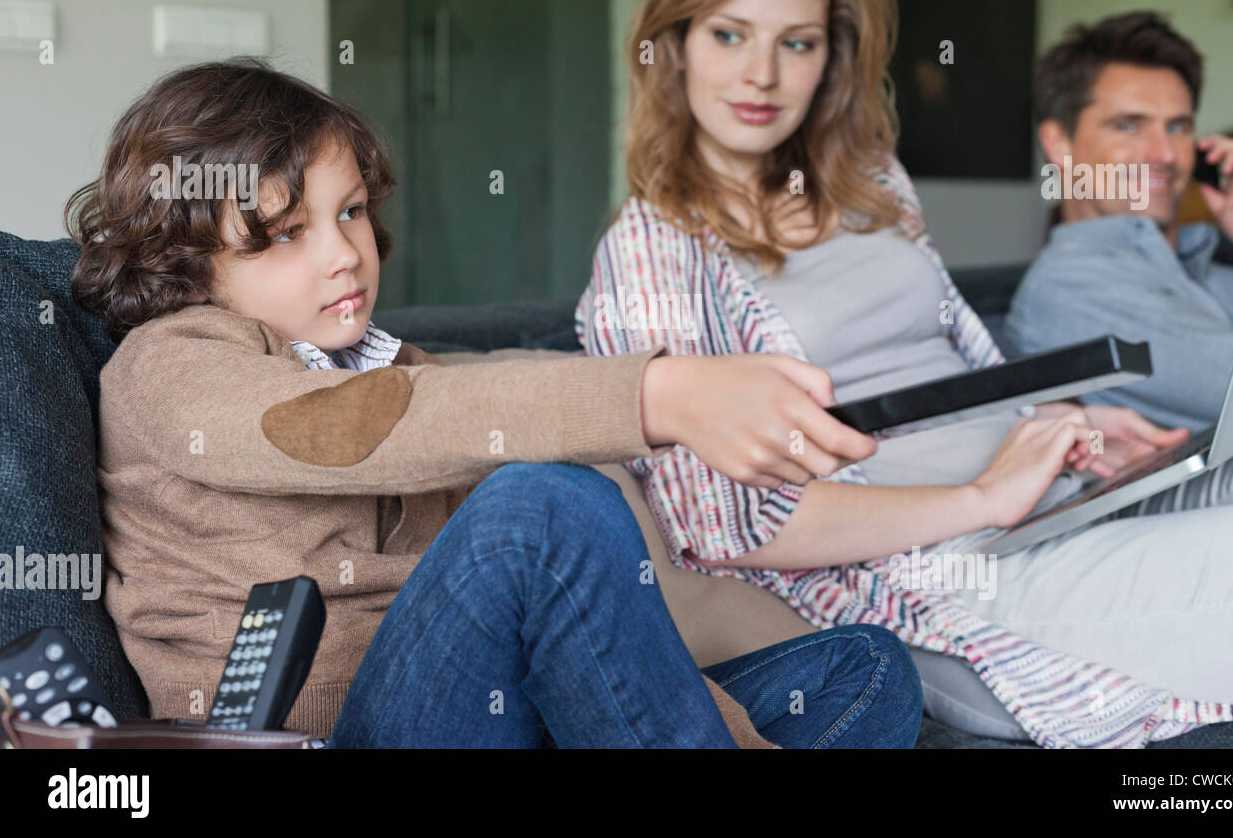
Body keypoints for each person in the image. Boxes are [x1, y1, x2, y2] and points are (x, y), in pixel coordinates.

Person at [577, 0, 1233, 747]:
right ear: (675, 46)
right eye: (728, 35)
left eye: (796, 42)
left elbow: (948, 369)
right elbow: (720, 532)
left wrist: (1059, 419)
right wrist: (979, 495)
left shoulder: (872, 184)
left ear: (832, 56)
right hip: (959, 570)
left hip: (1064, 500)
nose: (761, 75)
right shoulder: (654, 249)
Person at [67, 58, 923, 748]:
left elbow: (602, 644)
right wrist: (657, 393)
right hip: (332, 734)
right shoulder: (170, 365)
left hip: (487, 709)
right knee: (539, 505)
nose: (345, 254)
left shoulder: (391, 363)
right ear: (184, 257)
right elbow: (352, 425)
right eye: (289, 233)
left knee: (865, 671)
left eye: (353, 211)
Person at [1005, 10, 1233, 433]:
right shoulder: (1072, 288)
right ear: (1058, 143)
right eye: (1128, 125)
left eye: (1177, 127)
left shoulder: (1211, 270)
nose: (1165, 154)